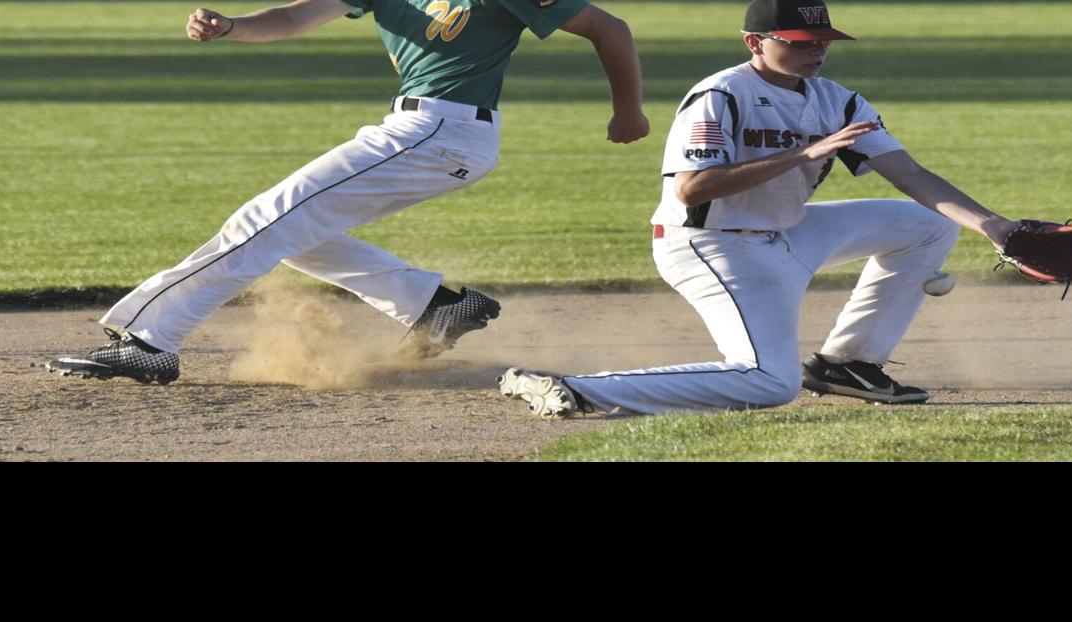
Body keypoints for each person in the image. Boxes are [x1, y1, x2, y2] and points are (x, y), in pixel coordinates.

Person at [45, 0, 648, 384]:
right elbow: (295, 17)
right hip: (418, 130)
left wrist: (629, 111)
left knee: (263, 221)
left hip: (442, 131)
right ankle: (433, 305)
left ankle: (151, 339)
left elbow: (607, 27)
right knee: (292, 231)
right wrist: (231, 27)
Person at [497, 0, 1020, 418]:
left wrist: (997, 228)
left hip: (787, 233)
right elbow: (692, 190)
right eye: (799, 42)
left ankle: (847, 364)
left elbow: (911, 175)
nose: (816, 50)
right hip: (710, 244)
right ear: (754, 42)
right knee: (771, 381)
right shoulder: (720, 95)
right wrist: (803, 154)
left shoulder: (838, 101)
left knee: (927, 225)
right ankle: (576, 389)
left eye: (822, 40)